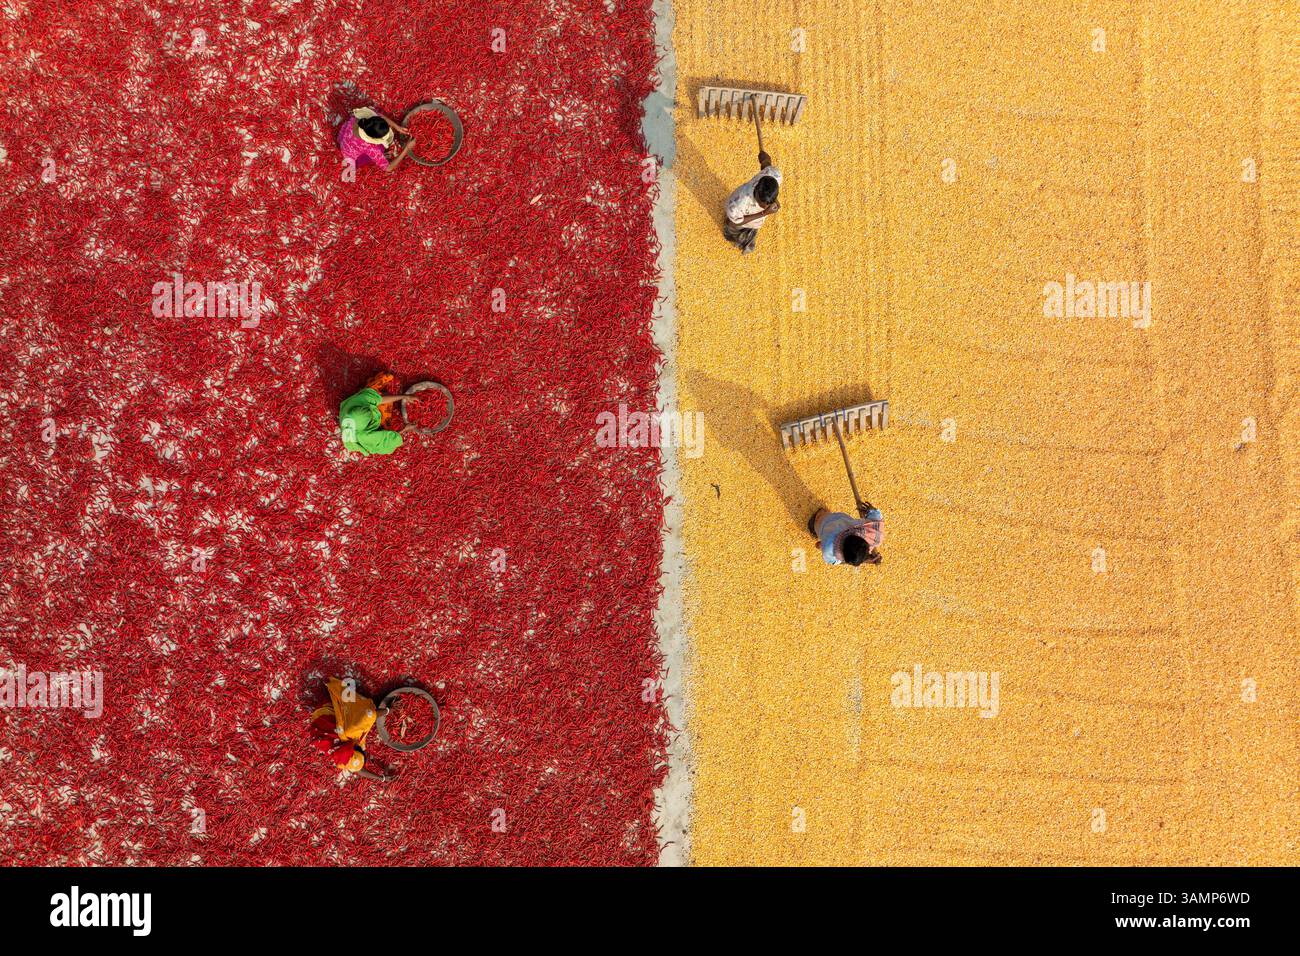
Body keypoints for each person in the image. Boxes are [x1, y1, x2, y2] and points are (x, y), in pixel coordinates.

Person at [309, 677, 394, 781]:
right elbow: (359, 770)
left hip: (326, 711)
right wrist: (382, 778)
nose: (364, 750)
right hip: (319, 723)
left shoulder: (351, 731)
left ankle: (340, 698)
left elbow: (370, 715)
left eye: (361, 751)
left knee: (363, 711)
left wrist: (388, 710)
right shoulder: (341, 757)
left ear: (354, 747)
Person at [338, 372, 420, 456]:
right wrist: (405, 429)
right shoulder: (366, 437)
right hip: (362, 440)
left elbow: (381, 400)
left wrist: (405, 396)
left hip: (357, 413)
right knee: (386, 423)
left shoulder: (354, 406)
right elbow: (387, 440)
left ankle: (371, 389)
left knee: (376, 392)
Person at [724, 148, 781, 254]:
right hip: (739, 220)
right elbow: (736, 221)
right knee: (730, 228)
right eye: (763, 204)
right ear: (756, 194)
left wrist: (765, 159)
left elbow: (766, 164)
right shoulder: (737, 204)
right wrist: (764, 213)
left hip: (754, 222)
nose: (768, 206)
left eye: (771, 201)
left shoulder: (775, 174)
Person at [336, 106, 414, 173]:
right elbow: (388, 168)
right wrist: (407, 148)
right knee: (381, 147)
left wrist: (397, 127)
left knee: (374, 112)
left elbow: (379, 117)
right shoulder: (370, 147)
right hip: (352, 158)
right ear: (373, 138)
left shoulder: (360, 120)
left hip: (343, 140)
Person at [808, 501, 883, 567]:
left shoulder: (870, 533)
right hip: (825, 525)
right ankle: (816, 519)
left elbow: (876, 517)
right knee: (817, 525)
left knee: (824, 516)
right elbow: (833, 561)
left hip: (838, 519)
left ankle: (822, 513)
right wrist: (864, 560)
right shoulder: (829, 548)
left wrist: (871, 510)